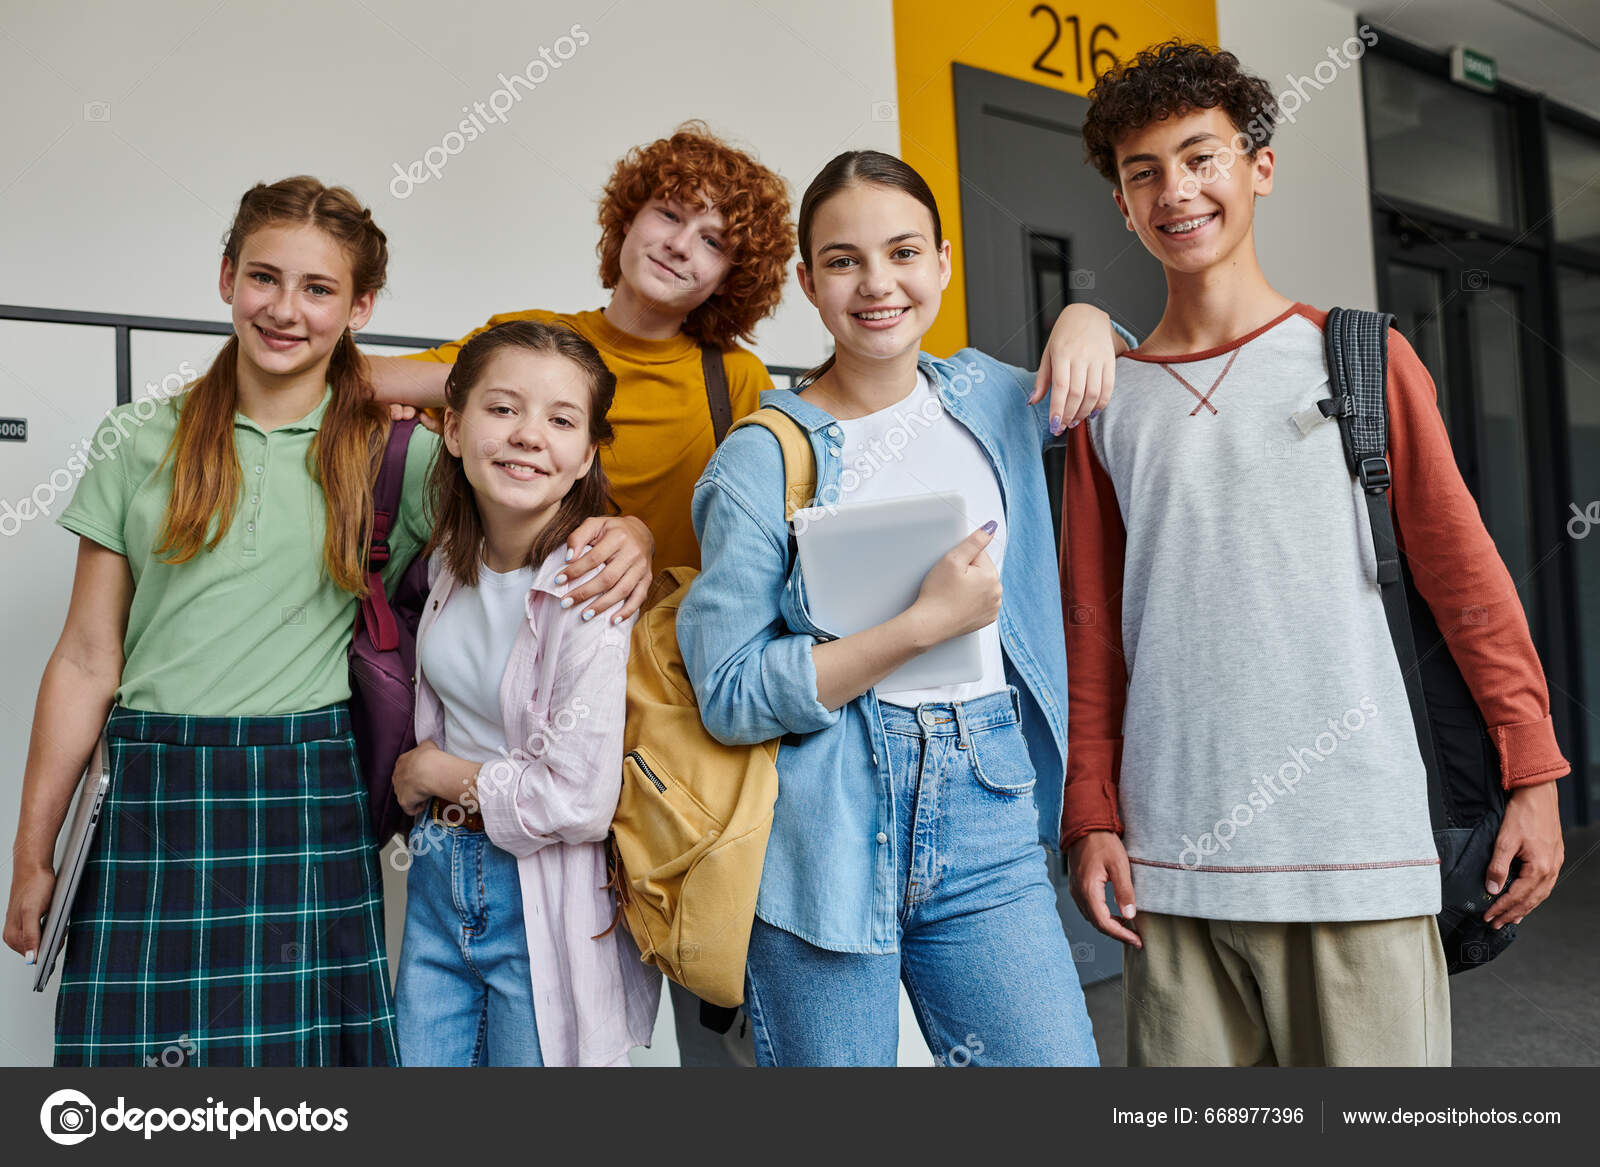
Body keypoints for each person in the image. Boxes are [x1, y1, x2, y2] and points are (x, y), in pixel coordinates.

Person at [1061, 40, 1567, 1067]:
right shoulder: (1105, 405)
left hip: (1359, 856)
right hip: (1175, 868)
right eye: (1142, 172)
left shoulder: (1360, 356)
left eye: (1201, 157)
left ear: (1259, 166)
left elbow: (1467, 586)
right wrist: (1092, 814)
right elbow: (1089, 634)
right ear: (1120, 202)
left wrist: (1534, 774)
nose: (1176, 191)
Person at [677, 149, 1132, 1066]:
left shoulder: (999, 402)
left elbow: (1113, 362)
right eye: (843, 261)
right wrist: (919, 627)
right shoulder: (759, 461)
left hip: (988, 802)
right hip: (820, 825)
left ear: (944, 263)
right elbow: (728, 692)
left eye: (903, 252)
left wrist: (1090, 317)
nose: (878, 283)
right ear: (808, 281)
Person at [3, 176, 431, 1065]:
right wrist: (32, 853)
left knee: (305, 1088)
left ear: (362, 306)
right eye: (263, 278)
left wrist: (621, 527)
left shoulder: (402, 451)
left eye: (319, 289)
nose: (284, 309)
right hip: (151, 792)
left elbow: (549, 400)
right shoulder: (135, 437)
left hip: (307, 790)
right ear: (226, 275)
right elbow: (86, 659)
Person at [390, 320, 659, 1066]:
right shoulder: (448, 560)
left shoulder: (592, 590)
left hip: (537, 893)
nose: (528, 435)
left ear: (587, 457)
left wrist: (432, 772)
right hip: (439, 871)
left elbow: (576, 799)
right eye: (502, 408)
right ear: (452, 427)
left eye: (561, 419)